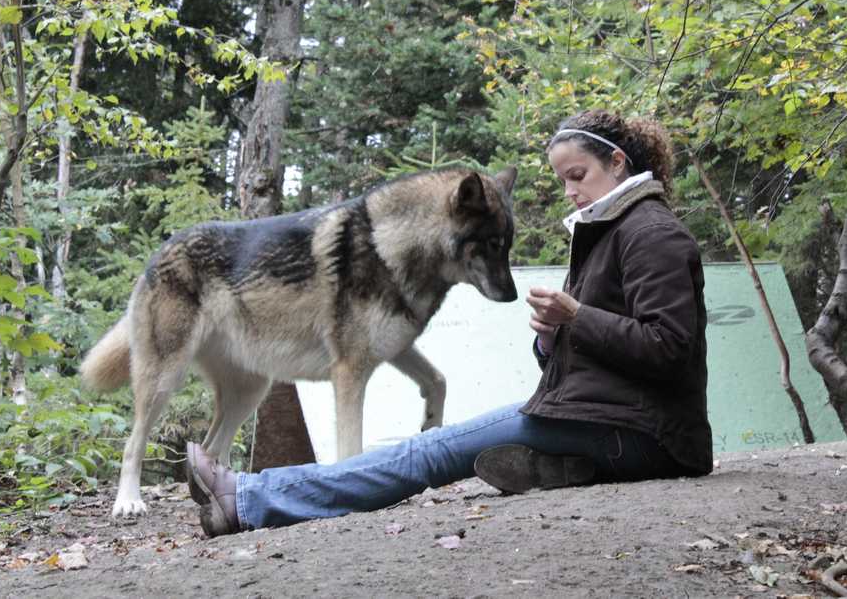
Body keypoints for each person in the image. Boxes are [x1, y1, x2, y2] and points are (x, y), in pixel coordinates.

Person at [185, 109, 712, 537]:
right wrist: (553, 340)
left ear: (617, 163)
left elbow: (668, 349)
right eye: (562, 180)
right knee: (444, 448)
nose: (570, 191)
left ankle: (248, 498)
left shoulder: (652, 234)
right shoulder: (609, 232)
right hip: (607, 417)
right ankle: (570, 467)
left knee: (428, 452)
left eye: (578, 176)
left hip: (643, 432)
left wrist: (577, 316)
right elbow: (597, 353)